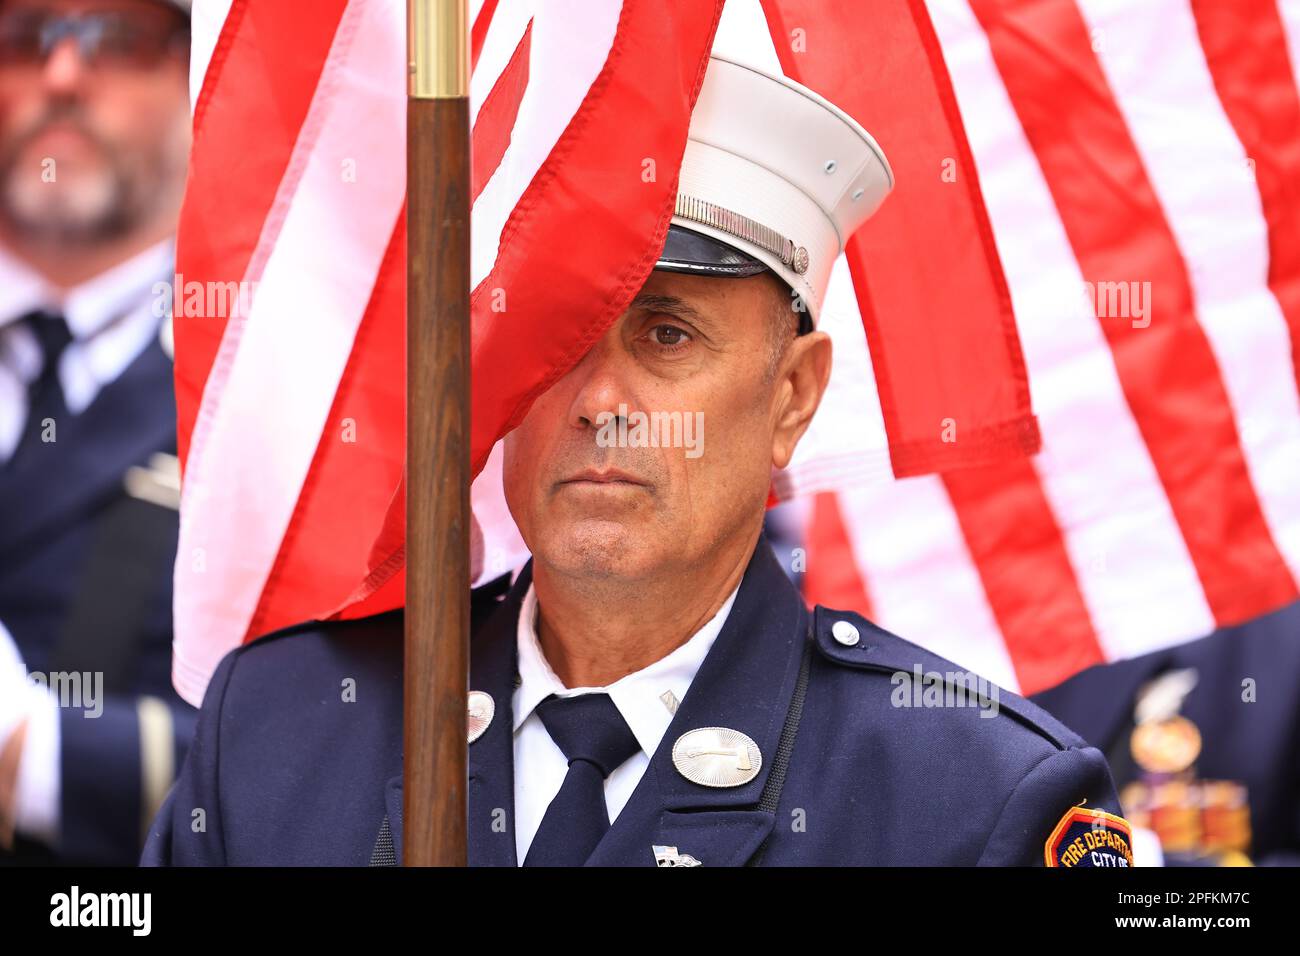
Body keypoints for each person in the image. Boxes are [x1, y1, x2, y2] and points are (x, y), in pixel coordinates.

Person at [142, 54, 1131, 867]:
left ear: (791, 395)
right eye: (550, 333)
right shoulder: (280, 732)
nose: (600, 402)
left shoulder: (968, 800)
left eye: (666, 336)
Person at [0, 0, 196, 864]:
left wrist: (29, 751)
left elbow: (342, 752)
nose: (65, 73)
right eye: (20, 32)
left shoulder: (271, 387)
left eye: (118, 35)